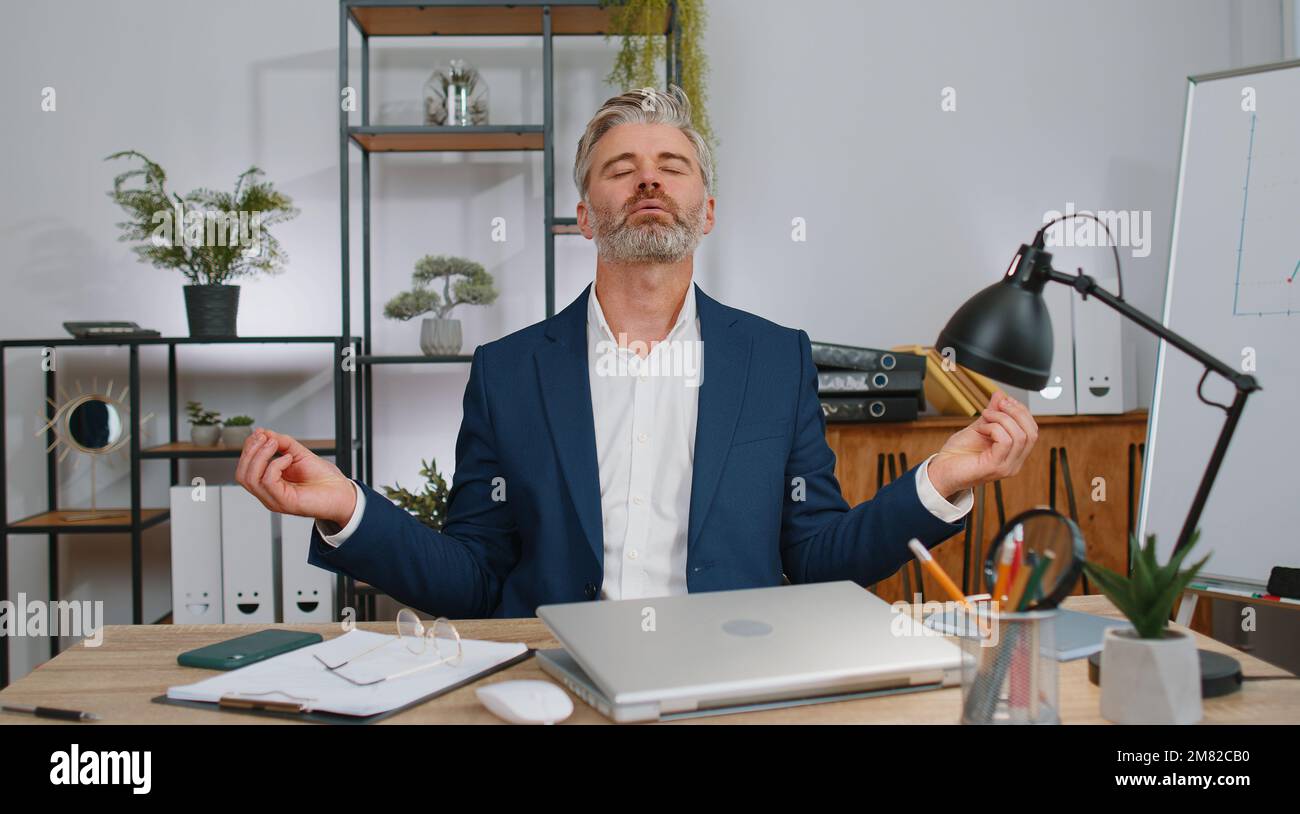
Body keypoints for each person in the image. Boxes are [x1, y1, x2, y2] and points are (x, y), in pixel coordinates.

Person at [236, 85, 1038, 618]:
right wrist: (349, 509)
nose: (648, 182)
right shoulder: (509, 372)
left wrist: (944, 479)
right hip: (553, 684)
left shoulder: (776, 360)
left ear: (707, 209)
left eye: (672, 167)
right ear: (586, 216)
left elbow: (817, 558)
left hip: (727, 686)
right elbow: (476, 578)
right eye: (621, 170)